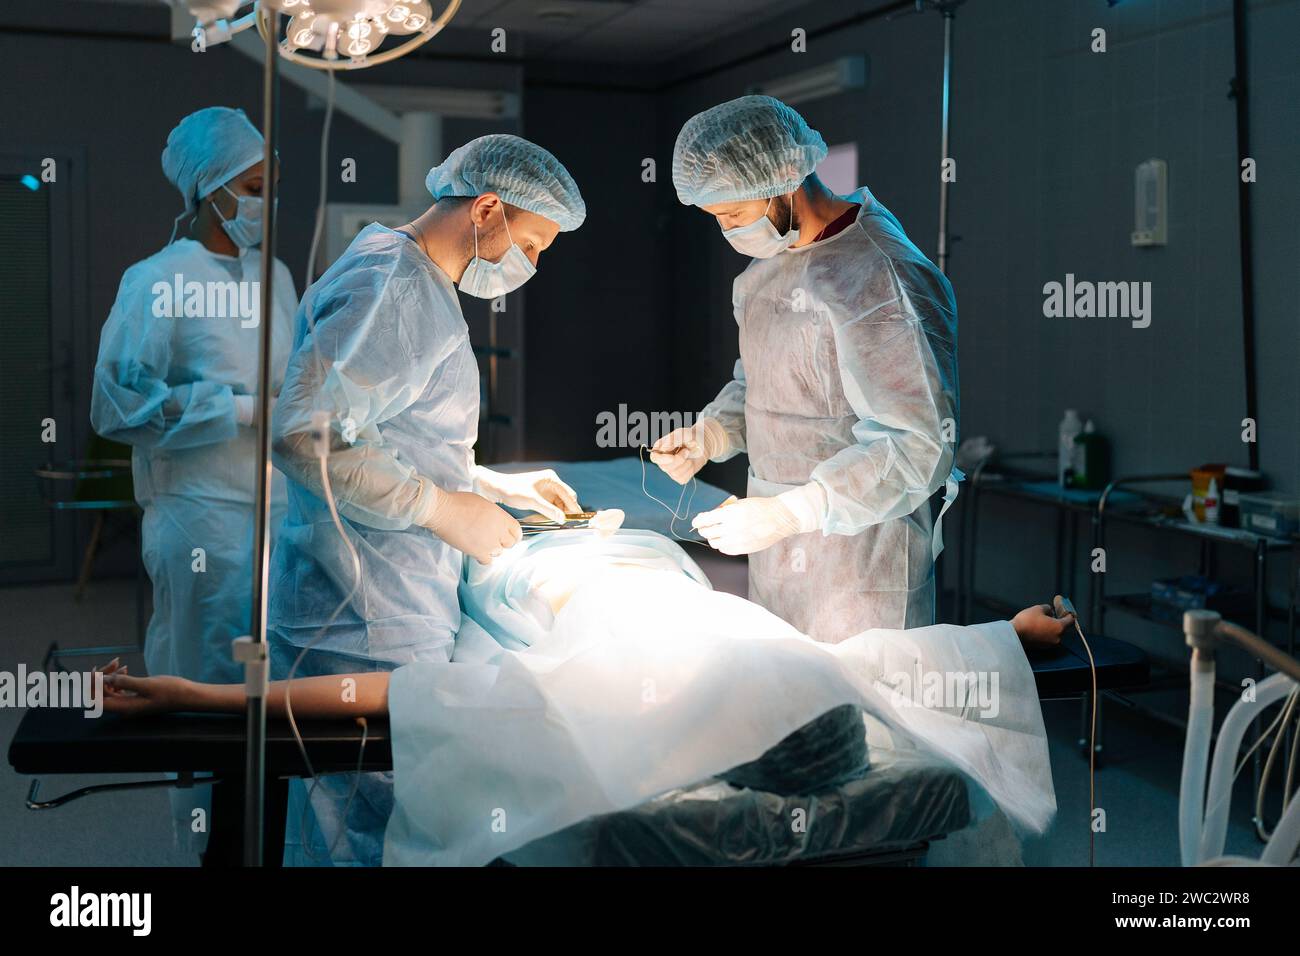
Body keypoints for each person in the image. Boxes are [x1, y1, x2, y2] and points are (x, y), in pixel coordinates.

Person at [98, 523, 1069, 866]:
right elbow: (900, 660)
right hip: (633, 571)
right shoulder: (787, 663)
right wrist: (1015, 638)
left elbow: (374, 697)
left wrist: (203, 693)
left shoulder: (583, 682)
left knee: (504, 554)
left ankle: (528, 540)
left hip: (546, 575)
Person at [265, 133, 586, 864]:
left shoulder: (408, 277)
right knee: (378, 840)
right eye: (532, 245)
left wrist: (491, 484)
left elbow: (387, 434)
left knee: (353, 828)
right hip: (363, 612)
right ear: (486, 208)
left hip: (373, 594)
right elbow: (307, 439)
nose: (529, 266)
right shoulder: (397, 288)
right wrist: (442, 510)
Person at [652, 95, 960, 642]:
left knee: (866, 716)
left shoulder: (880, 277)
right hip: (776, 553)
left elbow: (919, 443)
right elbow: (761, 384)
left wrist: (798, 509)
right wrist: (712, 433)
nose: (726, 229)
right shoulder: (765, 273)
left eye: (732, 214)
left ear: (783, 182)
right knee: (793, 708)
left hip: (861, 564)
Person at [90, 105, 298, 857]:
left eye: (272, 185)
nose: (263, 202)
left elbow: (294, 378)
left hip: (278, 510)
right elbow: (116, 403)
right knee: (201, 685)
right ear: (208, 189)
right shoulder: (156, 282)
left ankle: (265, 842)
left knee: (271, 687)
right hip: (198, 516)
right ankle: (204, 845)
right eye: (250, 186)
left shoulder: (273, 275)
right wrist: (235, 409)